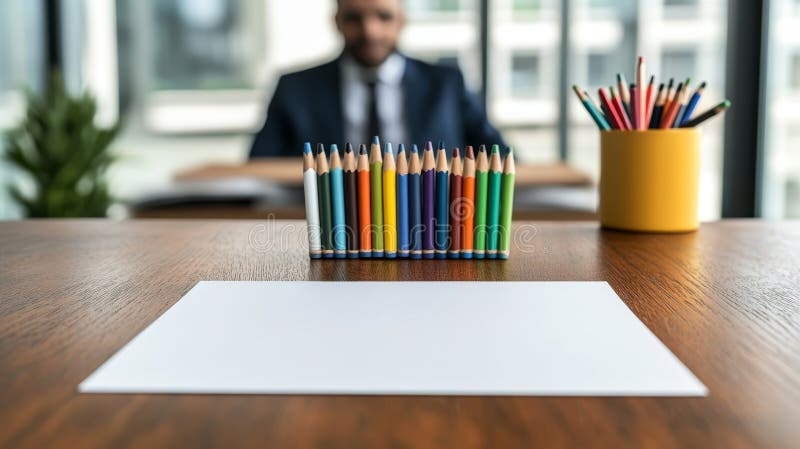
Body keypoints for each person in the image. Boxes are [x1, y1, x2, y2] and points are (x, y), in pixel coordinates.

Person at [249, 0, 505, 158]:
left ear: (401, 21)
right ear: (336, 21)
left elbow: (499, 157)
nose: (370, 31)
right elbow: (258, 169)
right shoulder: (295, 89)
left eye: (384, 16)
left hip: (431, 220)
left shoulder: (446, 84)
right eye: (354, 18)